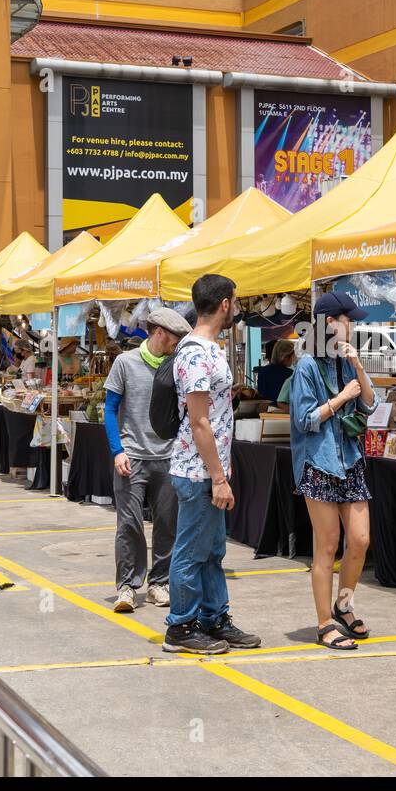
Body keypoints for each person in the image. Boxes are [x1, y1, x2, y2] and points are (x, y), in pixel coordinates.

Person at [162, 274, 261, 655]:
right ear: (224, 304)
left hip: (209, 470)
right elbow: (199, 421)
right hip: (198, 471)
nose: (236, 308)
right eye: (234, 301)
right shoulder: (195, 353)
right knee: (190, 552)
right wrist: (218, 477)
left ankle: (214, 618)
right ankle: (181, 628)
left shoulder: (210, 349)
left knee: (212, 551)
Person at [288, 292, 378, 650]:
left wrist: (358, 368)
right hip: (319, 463)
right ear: (329, 323)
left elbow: (370, 405)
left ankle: (345, 603)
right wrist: (342, 397)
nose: (352, 326)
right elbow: (304, 419)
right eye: (348, 320)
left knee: (360, 540)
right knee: (326, 546)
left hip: (351, 460)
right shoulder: (307, 365)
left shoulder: (345, 361)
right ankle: (325, 623)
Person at [103, 307, 192, 613]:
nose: (176, 345)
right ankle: (127, 586)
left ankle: (159, 584)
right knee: (129, 524)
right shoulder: (124, 363)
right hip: (132, 457)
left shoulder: (176, 365)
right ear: (159, 333)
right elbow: (110, 409)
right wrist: (117, 450)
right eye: (173, 339)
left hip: (168, 458)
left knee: (167, 524)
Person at [256, 339, 296, 404]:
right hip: (283, 411)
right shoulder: (290, 374)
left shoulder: (262, 372)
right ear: (285, 357)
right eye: (293, 354)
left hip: (264, 411)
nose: (294, 357)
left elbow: (260, 394)